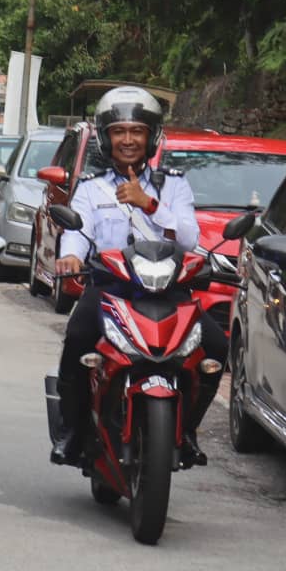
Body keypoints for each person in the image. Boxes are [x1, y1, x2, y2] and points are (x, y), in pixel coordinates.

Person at [49, 85, 227, 469]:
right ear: (106, 137)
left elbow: (190, 238)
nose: (128, 140)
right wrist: (68, 259)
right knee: (78, 340)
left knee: (215, 346)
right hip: (112, 288)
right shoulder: (92, 188)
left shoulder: (174, 185)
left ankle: (188, 430)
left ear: (151, 137)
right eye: (119, 132)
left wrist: (150, 205)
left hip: (168, 291)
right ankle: (73, 432)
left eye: (136, 132)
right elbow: (77, 234)